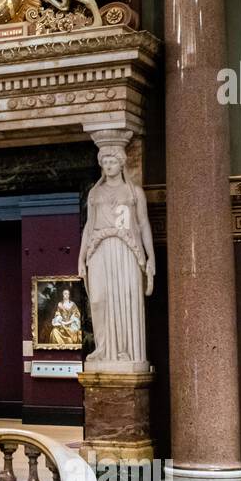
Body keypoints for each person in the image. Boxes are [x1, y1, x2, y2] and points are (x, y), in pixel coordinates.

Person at [78, 142, 154, 371]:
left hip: (126, 250)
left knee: (126, 298)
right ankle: (103, 349)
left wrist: (151, 258)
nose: (108, 166)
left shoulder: (133, 192)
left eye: (112, 162)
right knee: (99, 298)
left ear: (121, 164)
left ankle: (126, 350)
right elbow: (89, 227)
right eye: (105, 162)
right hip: (99, 249)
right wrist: (80, 258)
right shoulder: (95, 192)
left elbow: (143, 225)